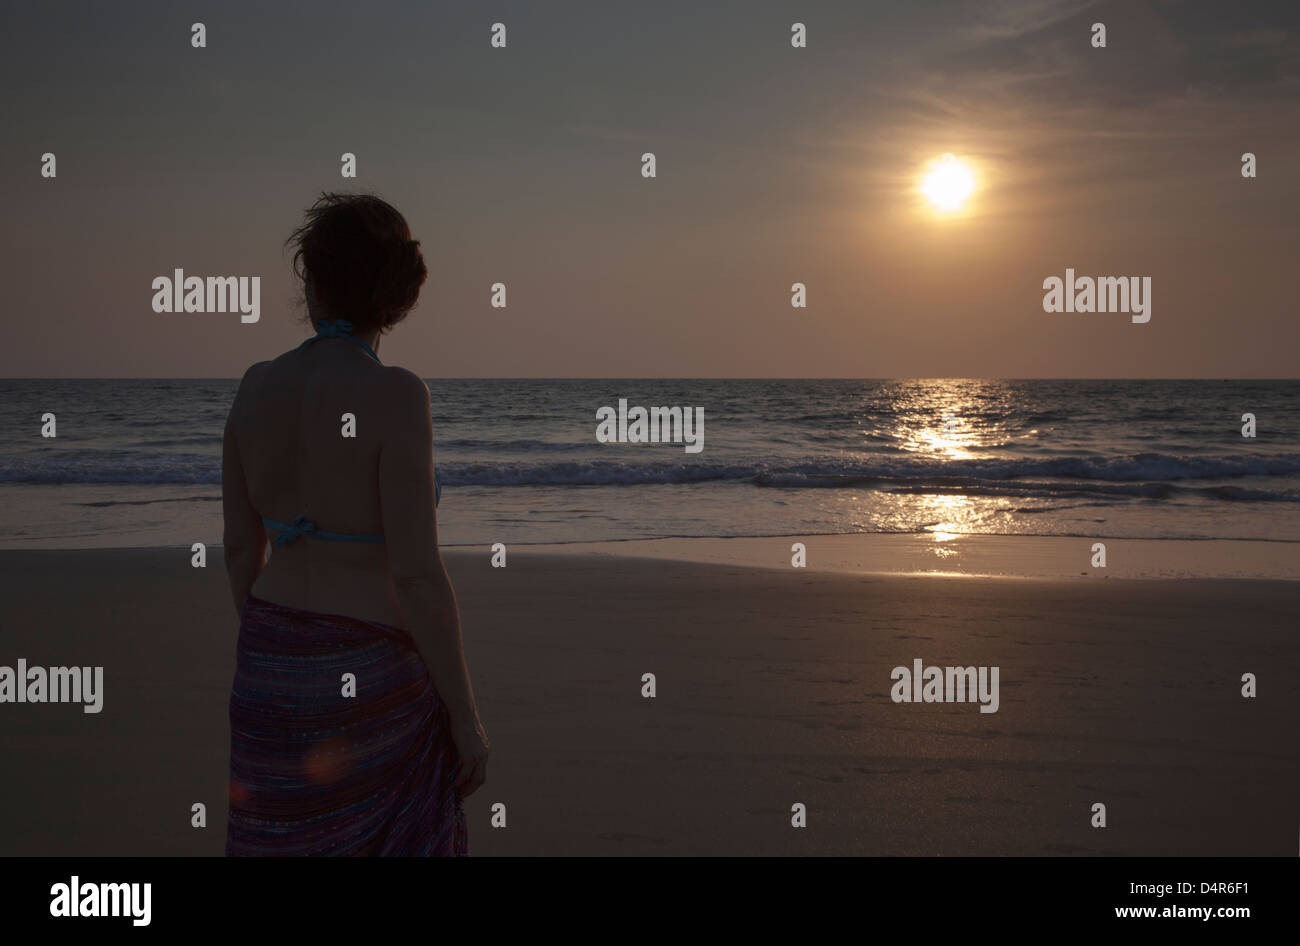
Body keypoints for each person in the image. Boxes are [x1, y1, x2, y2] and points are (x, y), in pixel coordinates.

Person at [220, 192, 488, 855]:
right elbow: (419, 577)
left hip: (266, 660)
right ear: (397, 294)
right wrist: (466, 718)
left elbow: (235, 548)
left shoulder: (254, 387)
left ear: (312, 280)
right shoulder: (398, 395)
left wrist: (276, 647)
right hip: (371, 677)